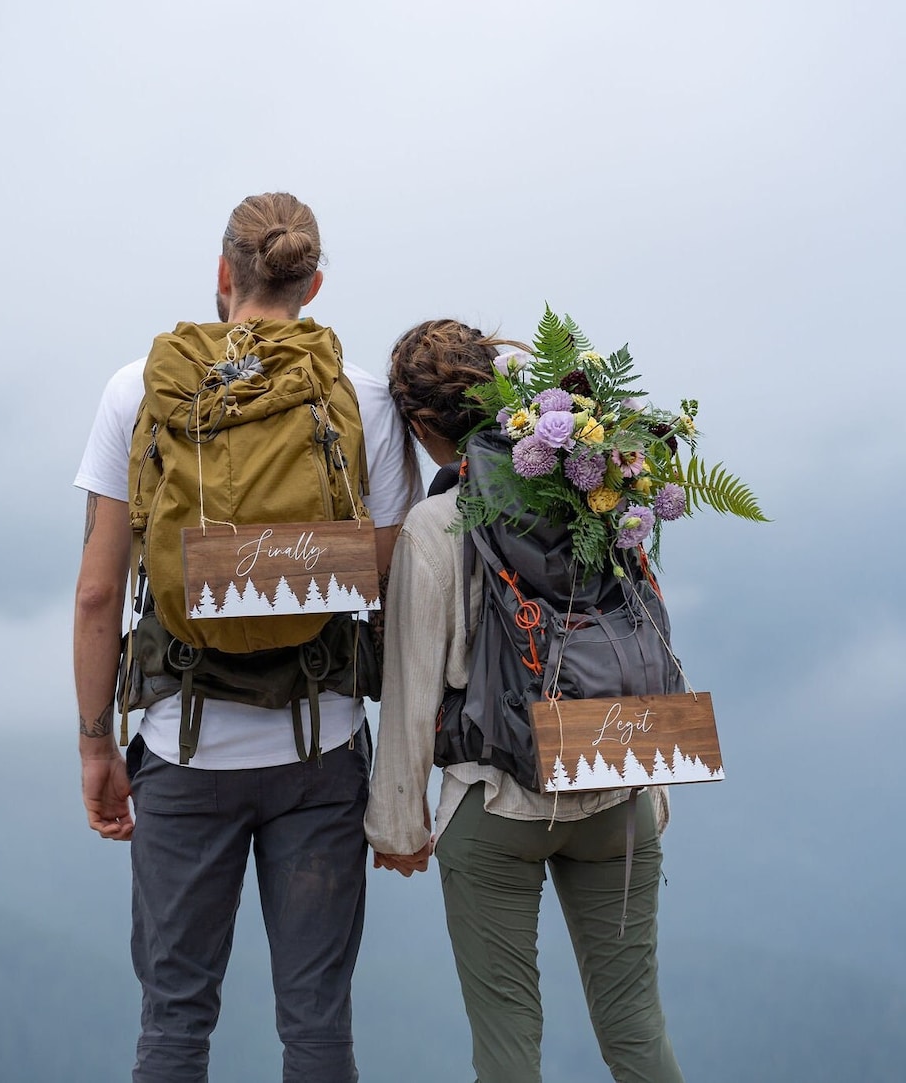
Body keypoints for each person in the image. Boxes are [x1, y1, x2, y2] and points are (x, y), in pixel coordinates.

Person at [72, 192, 420, 1083]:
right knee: (315, 1027)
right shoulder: (364, 400)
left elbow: (98, 592)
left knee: (175, 1024)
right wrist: (404, 775)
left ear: (223, 275)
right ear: (313, 283)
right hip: (322, 746)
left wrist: (95, 744)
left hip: (180, 749)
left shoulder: (136, 390)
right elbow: (392, 596)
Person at [364, 319, 684, 1083]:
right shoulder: (593, 483)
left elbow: (410, 688)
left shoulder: (437, 523)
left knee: (508, 1051)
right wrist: (653, 781)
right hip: (616, 787)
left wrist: (399, 826)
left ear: (419, 425)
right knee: (637, 1029)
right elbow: (637, 623)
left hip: (496, 800)